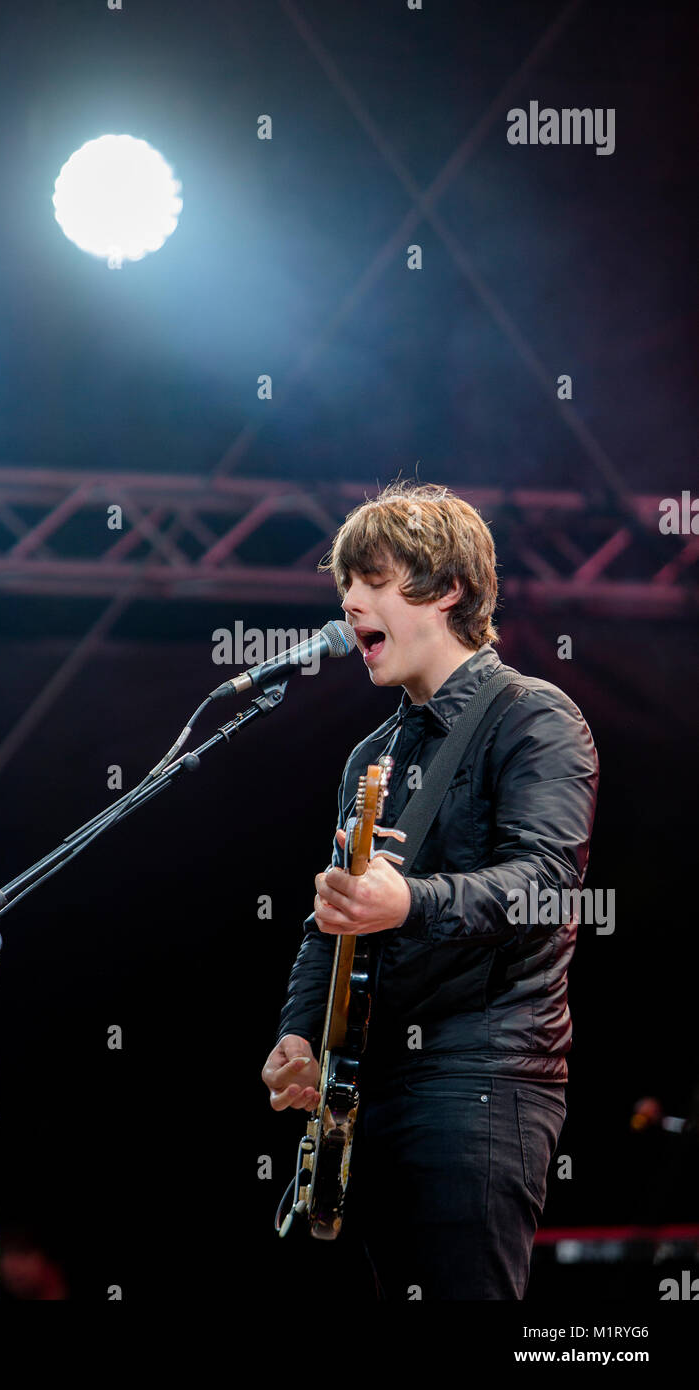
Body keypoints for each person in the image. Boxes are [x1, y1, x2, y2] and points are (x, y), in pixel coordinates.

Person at [260, 481, 599, 1301]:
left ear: (446, 588)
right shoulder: (369, 756)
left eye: (372, 581)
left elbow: (549, 885)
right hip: (369, 1085)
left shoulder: (534, 718)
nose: (349, 601)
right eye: (346, 584)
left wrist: (410, 902)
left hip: (480, 1080)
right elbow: (327, 921)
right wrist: (299, 1035)